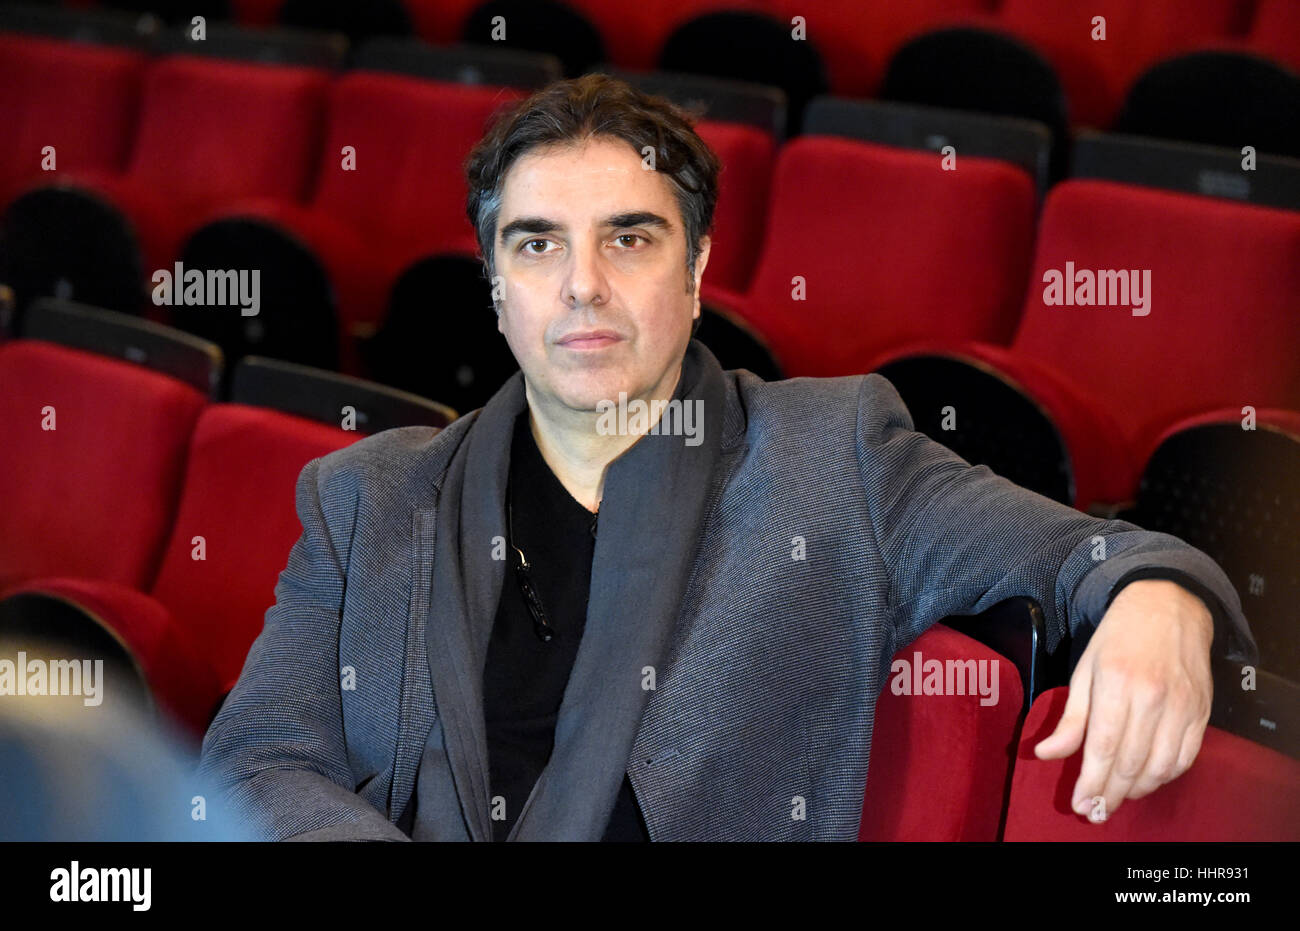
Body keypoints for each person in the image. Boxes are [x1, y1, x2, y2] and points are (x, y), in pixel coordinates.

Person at [198, 74, 1257, 842]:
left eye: (630, 237)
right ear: (493, 286)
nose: (581, 285)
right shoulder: (367, 494)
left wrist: (1159, 595)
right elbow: (258, 760)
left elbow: (1082, 555)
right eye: (536, 244)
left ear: (697, 270)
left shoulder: (830, 455)